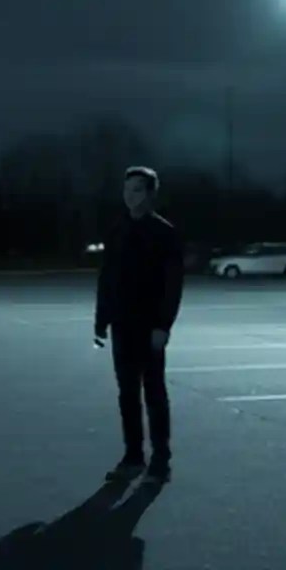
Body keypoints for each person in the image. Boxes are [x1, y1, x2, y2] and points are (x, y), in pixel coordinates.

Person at [94, 166, 184, 484]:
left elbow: (172, 285)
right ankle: (133, 457)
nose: (129, 195)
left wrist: (163, 326)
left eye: (136, 189)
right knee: (127, 394)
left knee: (154, 392)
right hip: (122, 325)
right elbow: (107, 277)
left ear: (150, 194)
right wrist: (101, 320)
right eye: (126, 189)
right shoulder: (117, 230)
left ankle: (161, 460)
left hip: (150, 326)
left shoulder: (164, 233)